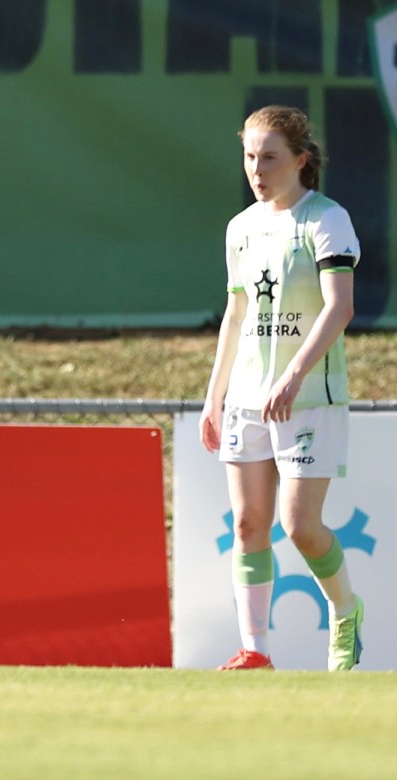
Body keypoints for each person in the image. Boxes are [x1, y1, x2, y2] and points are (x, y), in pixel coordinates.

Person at [199, 105, 364, 672]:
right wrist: (214, 395)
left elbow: (340, 308)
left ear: (300, 159)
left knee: (301, 527)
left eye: (269, 156)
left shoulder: (327, 219)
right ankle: (256, 652)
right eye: (249, 156)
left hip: (309, 399)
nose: (257, 168)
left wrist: (293, 376)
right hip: (248, 399)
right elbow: (236, 314)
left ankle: (346, 611)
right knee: (248, 524)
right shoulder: (240, 227)